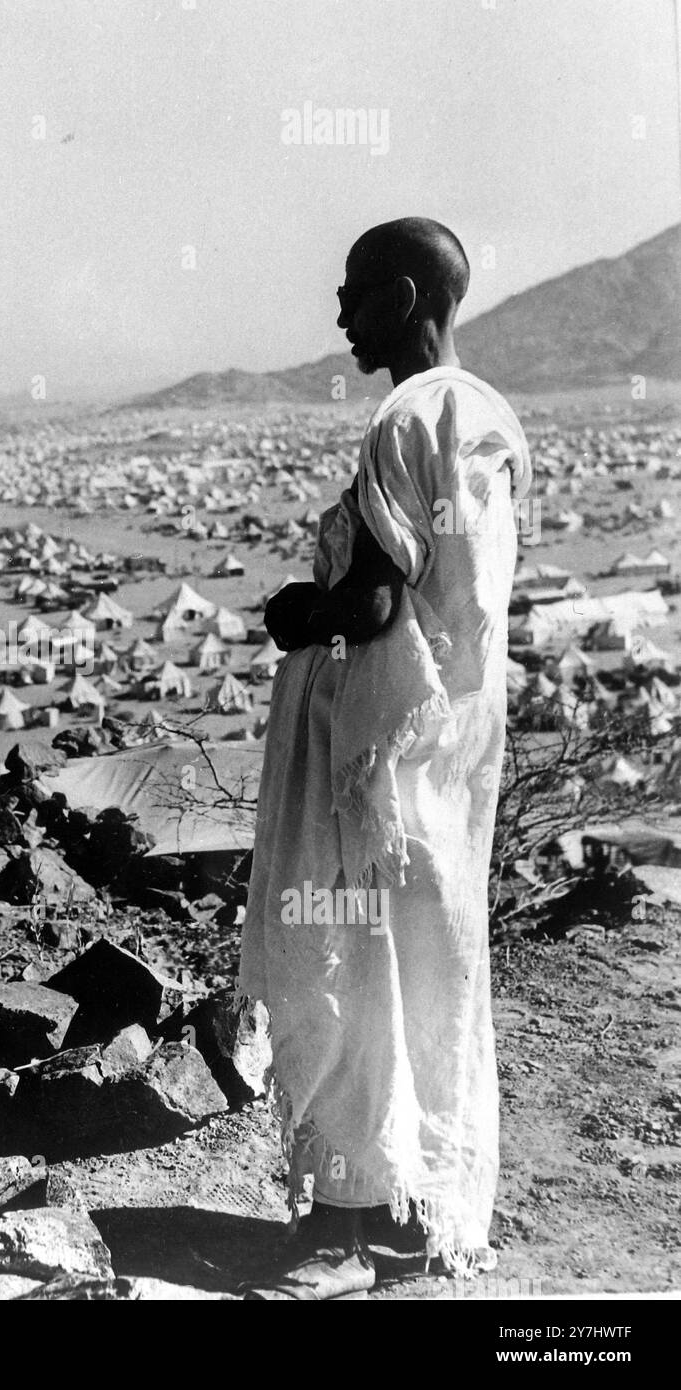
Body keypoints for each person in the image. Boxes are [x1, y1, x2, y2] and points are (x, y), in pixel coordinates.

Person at [238, 218, 531, 1299]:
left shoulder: (404, 419)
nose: (339, 314)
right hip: (451, 743)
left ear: (404, 298)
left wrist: (294, 608)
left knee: (350, 971)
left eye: (354, 293)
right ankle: (415, 1218)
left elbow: (369, 600)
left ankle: (344, 1230)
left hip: (371, 748)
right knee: (428, 968)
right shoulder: (494, 418)